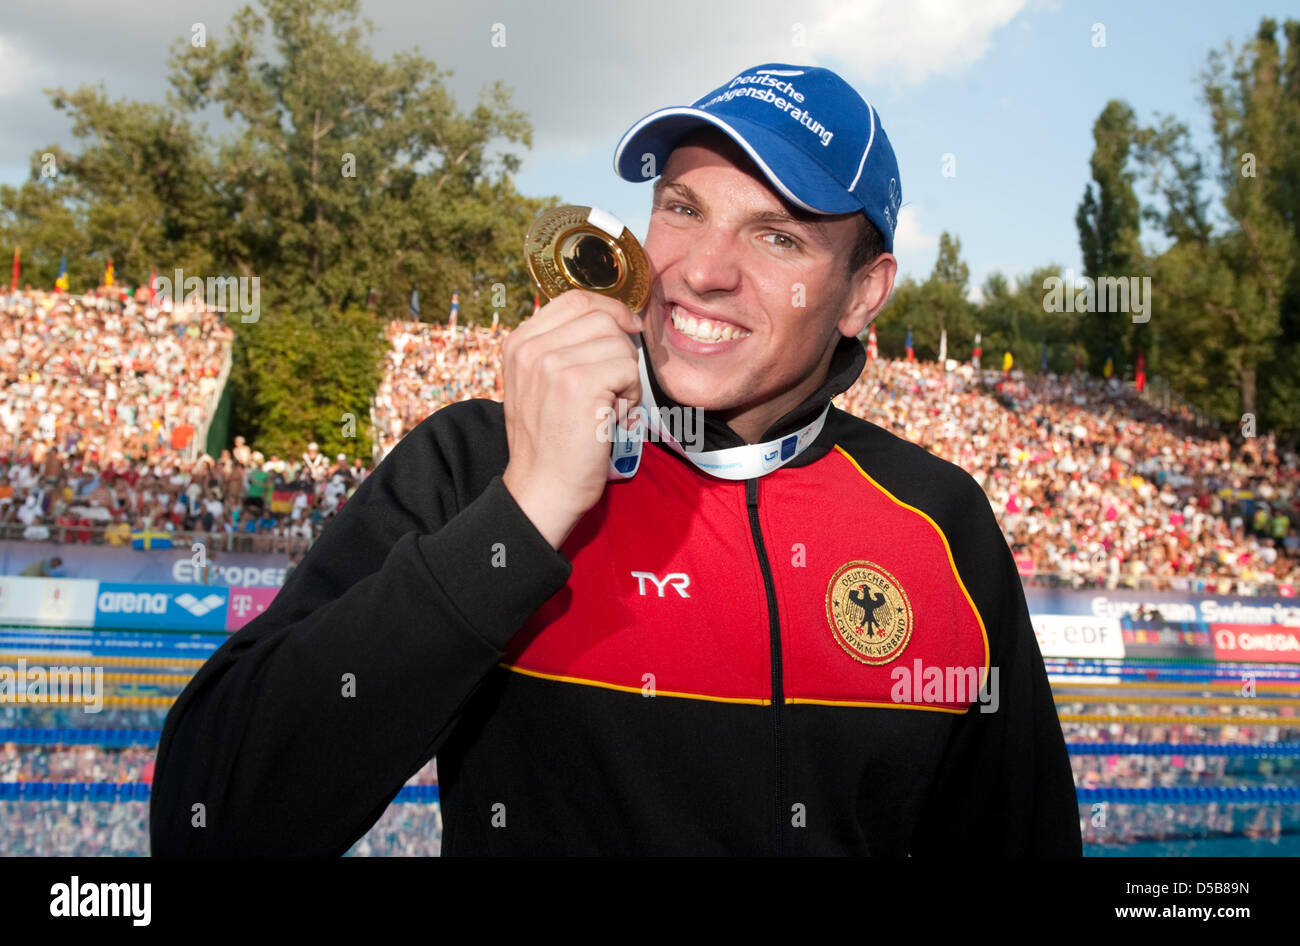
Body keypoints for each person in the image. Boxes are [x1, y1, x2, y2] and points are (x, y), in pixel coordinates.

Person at [151, 62, 1080, 856]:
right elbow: (208, 819)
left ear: (862, 296)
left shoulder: (938, 519)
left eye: (778, 235)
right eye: (683, 208)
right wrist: (526, 510)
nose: (702, 270)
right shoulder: (480, 458)